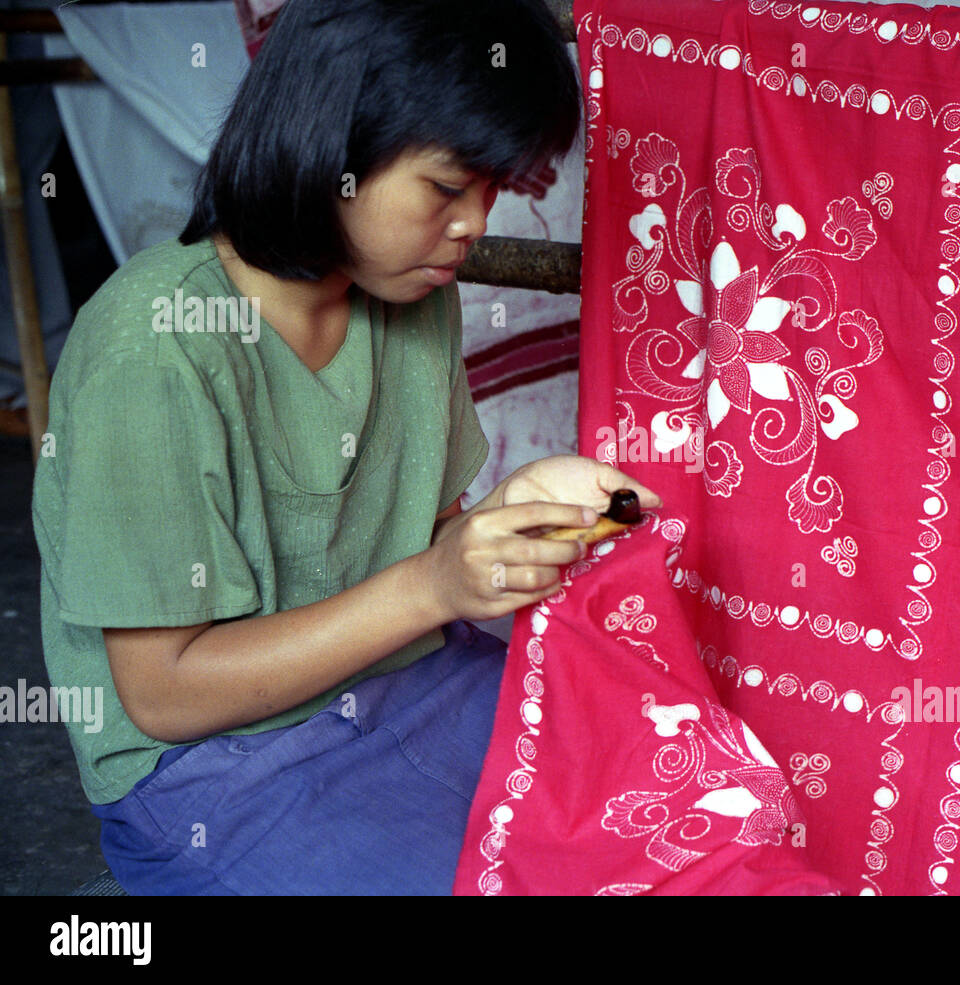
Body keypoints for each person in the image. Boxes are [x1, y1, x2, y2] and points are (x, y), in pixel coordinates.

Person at [32, 0, 659, 895]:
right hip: (223, 772)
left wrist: (523, 512)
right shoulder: (154, 347)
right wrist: (433, 583)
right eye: (447, 189)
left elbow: (427, 543)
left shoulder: (410, 298)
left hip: (416, 685)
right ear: (331, 152)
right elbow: (163, 696)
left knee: (668, 794)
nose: (474, 224)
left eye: (492, 191)